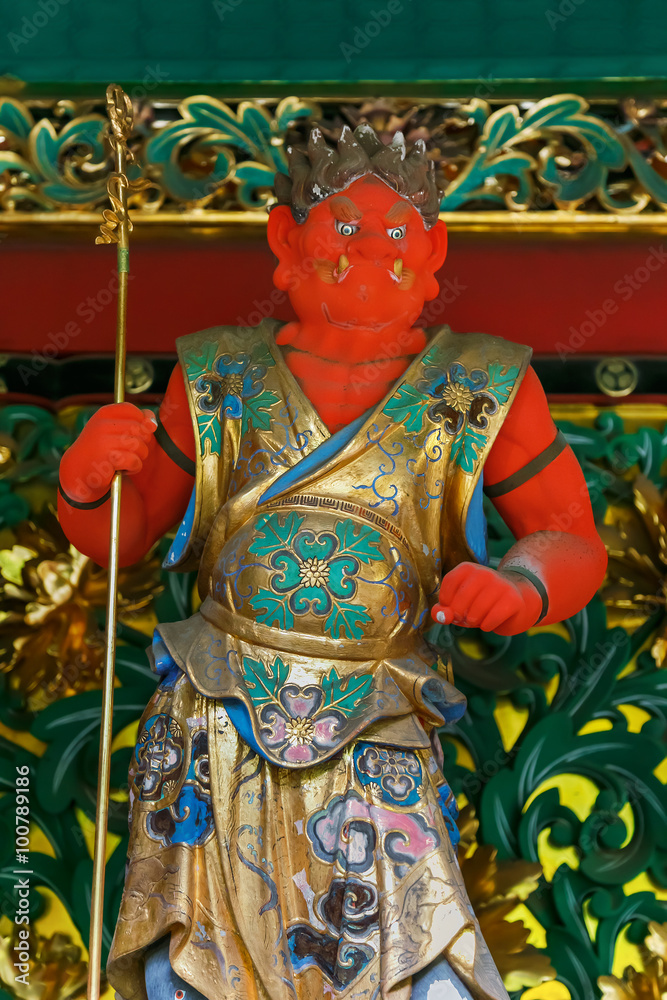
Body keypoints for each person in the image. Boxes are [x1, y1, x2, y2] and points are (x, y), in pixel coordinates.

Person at [58, 124, 607, 1000]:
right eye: (343, 227)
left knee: (410, 943)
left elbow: (570, 533)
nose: (368, 252)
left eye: (395, 235)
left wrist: (522, 581)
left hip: (378, 704)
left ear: (434, 249)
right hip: (214, 709)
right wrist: (89, 481)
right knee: (202, 953)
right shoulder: (217, 374)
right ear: (286, 240)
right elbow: (125, 540)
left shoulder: (480, 383)